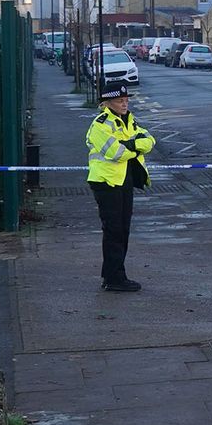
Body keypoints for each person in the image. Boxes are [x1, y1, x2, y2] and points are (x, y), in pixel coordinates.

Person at [85, 81, 155, 293]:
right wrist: (135, 147)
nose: (124, 104)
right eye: (119, 101)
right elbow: (116, 153)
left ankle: (114, 274)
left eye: (125, 100)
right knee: (114, 230)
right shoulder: (101, 124)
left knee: (122, 229)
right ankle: (114, 278)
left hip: (124, 180)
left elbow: (150, 140)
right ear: (107, 103)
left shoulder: (129, 122)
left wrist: (132, 146)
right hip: (106, 183)